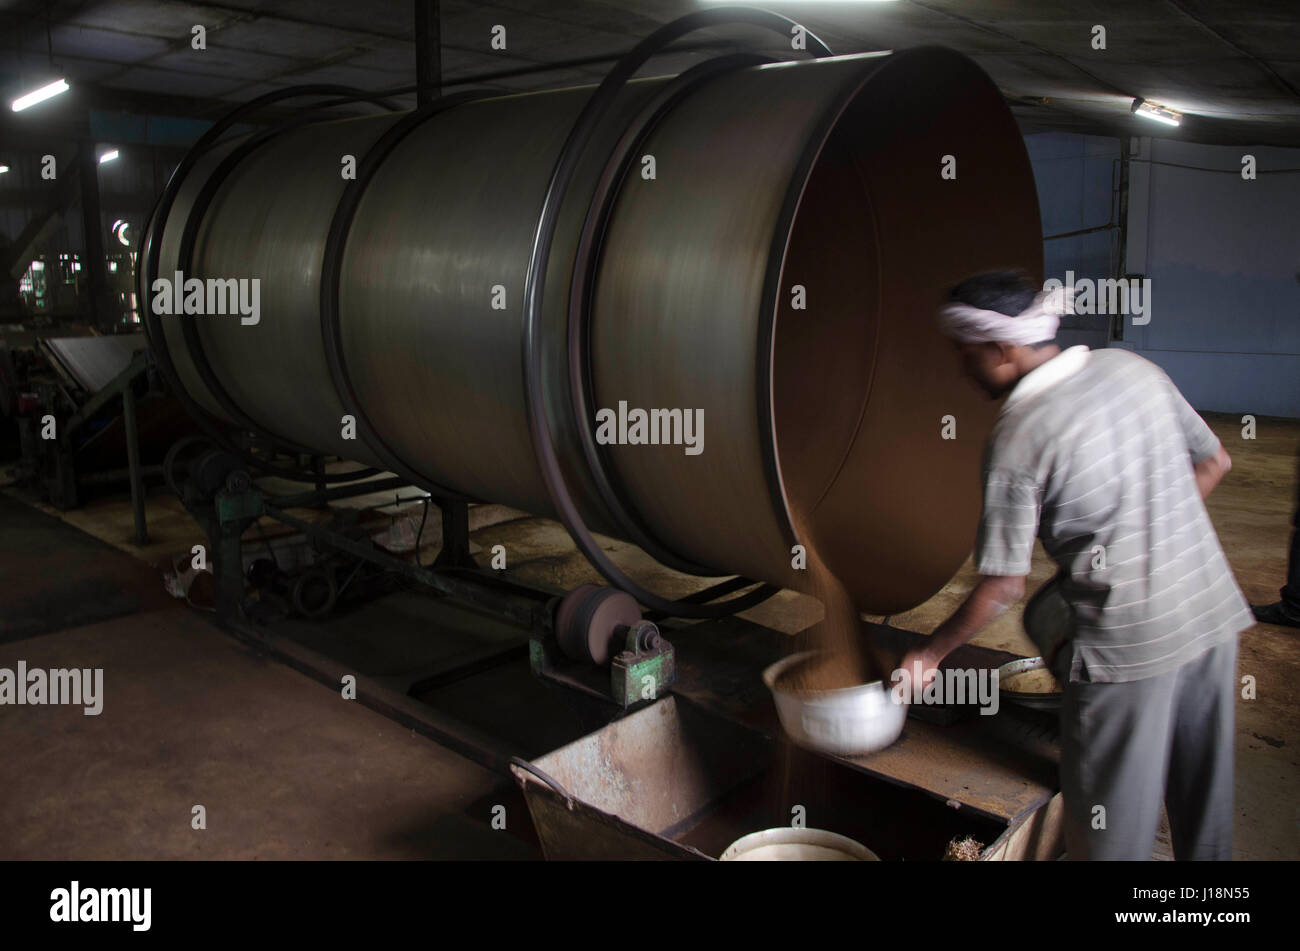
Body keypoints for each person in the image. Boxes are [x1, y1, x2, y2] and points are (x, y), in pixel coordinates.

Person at [900, 269, 1253, 861]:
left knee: (1110, 837)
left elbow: (1004, 586)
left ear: (1000, 349)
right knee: (1204, 815)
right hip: (1212, 614)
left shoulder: (1018, 436)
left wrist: (928, 656)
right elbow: (1216, 461)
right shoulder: (1132, 367)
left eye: (965, 355)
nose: (962, 370)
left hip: (1127, 649)